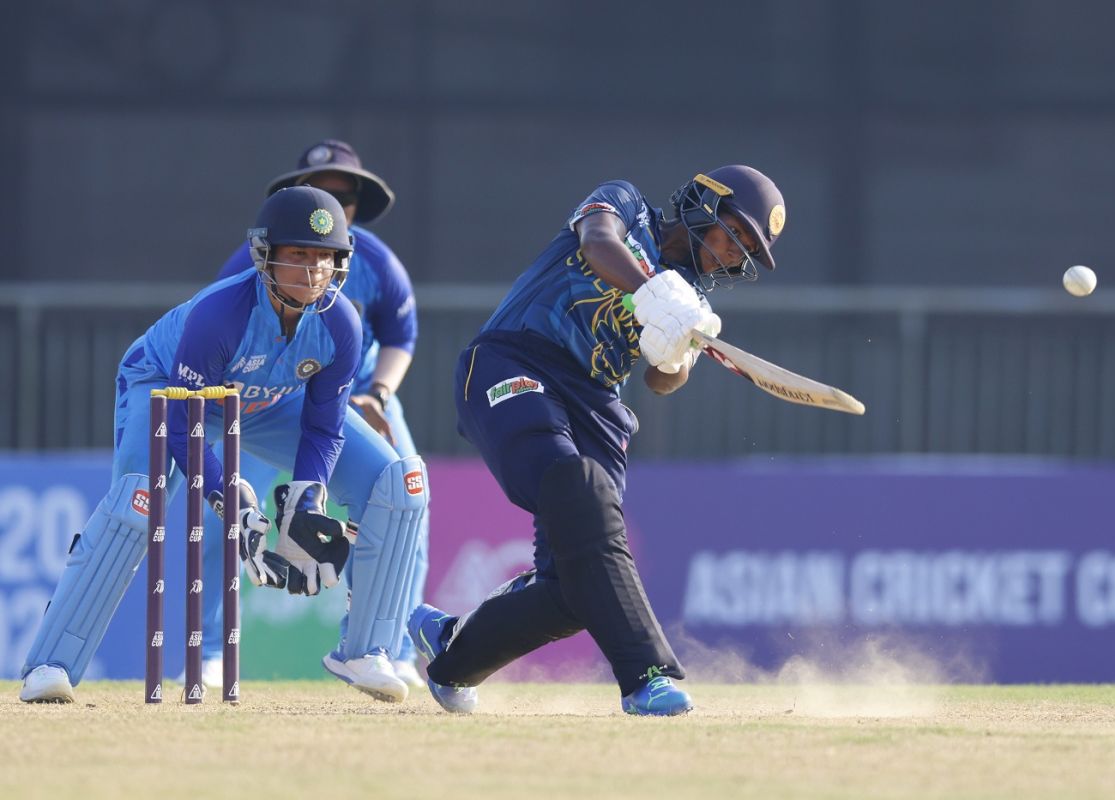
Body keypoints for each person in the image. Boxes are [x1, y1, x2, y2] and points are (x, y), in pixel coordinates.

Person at [20, 186, 427, 704]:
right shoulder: (221, 313)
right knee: (137, 504)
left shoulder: (341, 322)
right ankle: (51, 664)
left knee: (395, 482)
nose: (312, 271)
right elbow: (187, 422)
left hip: (269, 400)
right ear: (265, 256)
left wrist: (305, 505)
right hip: (167, 388)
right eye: (298, 255)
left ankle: (367, 650)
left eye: (325, 257)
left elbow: (323, 427)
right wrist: (234, 502)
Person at [406, 165, 786, 715]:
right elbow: (596, 241)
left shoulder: (694, 297)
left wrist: (678, 351)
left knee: (573, 588)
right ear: (705, 203)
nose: (734, 254)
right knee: (579, 489)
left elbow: (660, 382)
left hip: (596, 404)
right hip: (516, 361)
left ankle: (453, 652)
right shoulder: (627, 205)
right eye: (736, 234)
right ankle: (647, 676)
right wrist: (652, 292)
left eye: (747, 251)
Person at [195, 139, 428, 692]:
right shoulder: (253, 258)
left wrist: (378, 392)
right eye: (319, 191)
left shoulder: (375, 262)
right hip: (264, 396)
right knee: (222, 516)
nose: (331, 206)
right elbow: (215, 331)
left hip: (361, 389)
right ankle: (207, 651)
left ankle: (385, 648)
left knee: (406, 493)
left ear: (356, 206)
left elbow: (400, 336)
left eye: (343, 195)